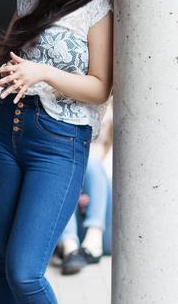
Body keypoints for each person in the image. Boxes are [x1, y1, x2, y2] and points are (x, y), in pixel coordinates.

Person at [0, 0, 114, 304]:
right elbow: (11, 59)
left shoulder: (100, 7)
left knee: (24, 272)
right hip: (5, 130)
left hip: (59, 144)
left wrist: (42, 73)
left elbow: (101, 87)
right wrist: (10, 70)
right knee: (2, 263)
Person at [54, 112, 113, 276]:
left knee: (91, 163)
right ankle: (69, 248)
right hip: (77, 227)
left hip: (107, 228)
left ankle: (93, 239)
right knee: (60, 180)